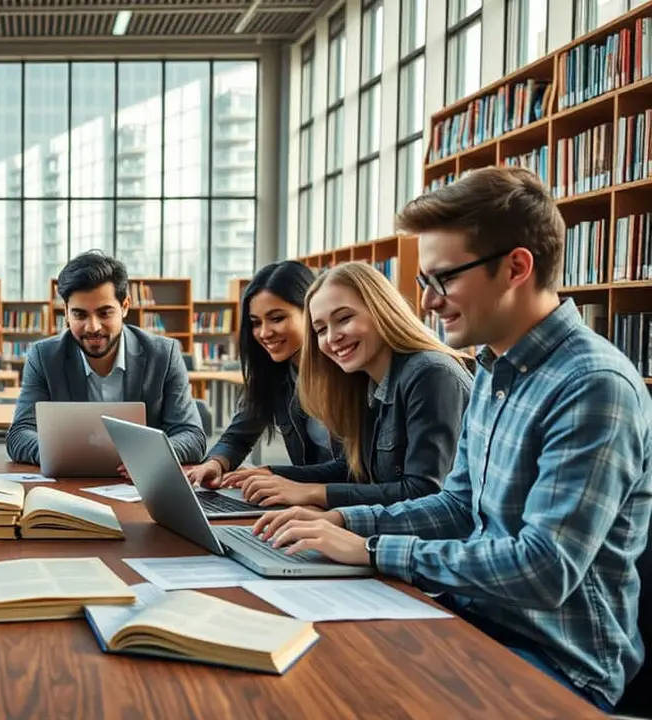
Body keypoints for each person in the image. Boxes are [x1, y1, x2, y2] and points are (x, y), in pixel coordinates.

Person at [254, 166, 652, 712]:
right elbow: (457, 504)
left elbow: (544, 569)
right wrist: (341, 522)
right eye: (424, 283)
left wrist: (372, 549)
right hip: (471, 619)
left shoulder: (592, 386)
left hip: (552, 662)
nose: (429, 302)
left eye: (444, 279)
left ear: (516, 267)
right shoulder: (493, 367)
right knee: (306, 668)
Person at [221, 262, 472, 509]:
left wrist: (312, 494)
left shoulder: (431, 374)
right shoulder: (363, 378)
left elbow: (425, 493)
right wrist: (272, 474)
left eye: (344, 318)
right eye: (320, 330)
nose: (332, 338)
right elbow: (351, 468)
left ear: (381, 309)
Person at [7, 251, 206, 466]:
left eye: (104, 313)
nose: (93, 327)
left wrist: (147, 456)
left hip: (140, 487)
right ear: (65, 311)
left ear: (125, 307)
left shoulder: (163, 354)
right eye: (80, 315)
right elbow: (19, 434)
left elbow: (192, 435)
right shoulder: (44, 357)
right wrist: (63, 453)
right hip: (70, 484)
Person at [185, 260, 338, 487]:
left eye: (277, 318)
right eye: (256, 323)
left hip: (344, 504)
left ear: (311, 311)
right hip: (311, 502)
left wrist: (274, 474)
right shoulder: (274, 373)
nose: (264, 333)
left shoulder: (347, 372)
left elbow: (352, 470)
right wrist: (214, 464)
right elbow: (238, 436)